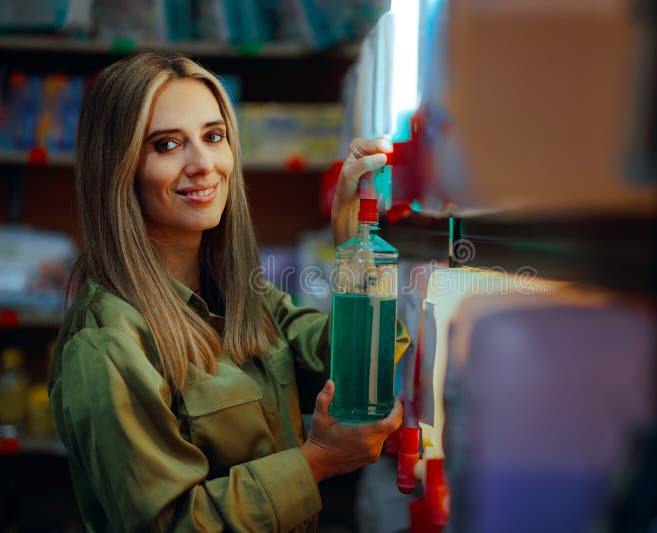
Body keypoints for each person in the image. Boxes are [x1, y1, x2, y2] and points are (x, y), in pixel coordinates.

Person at [48, 52, 409, 532]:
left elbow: (350, 363)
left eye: (213, 137)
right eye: (167, 144)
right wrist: (316, 461)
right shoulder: (106, 344)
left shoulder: (243, 297)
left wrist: (353, 243)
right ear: (118, 167)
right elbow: (171, 524)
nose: (202, 164)